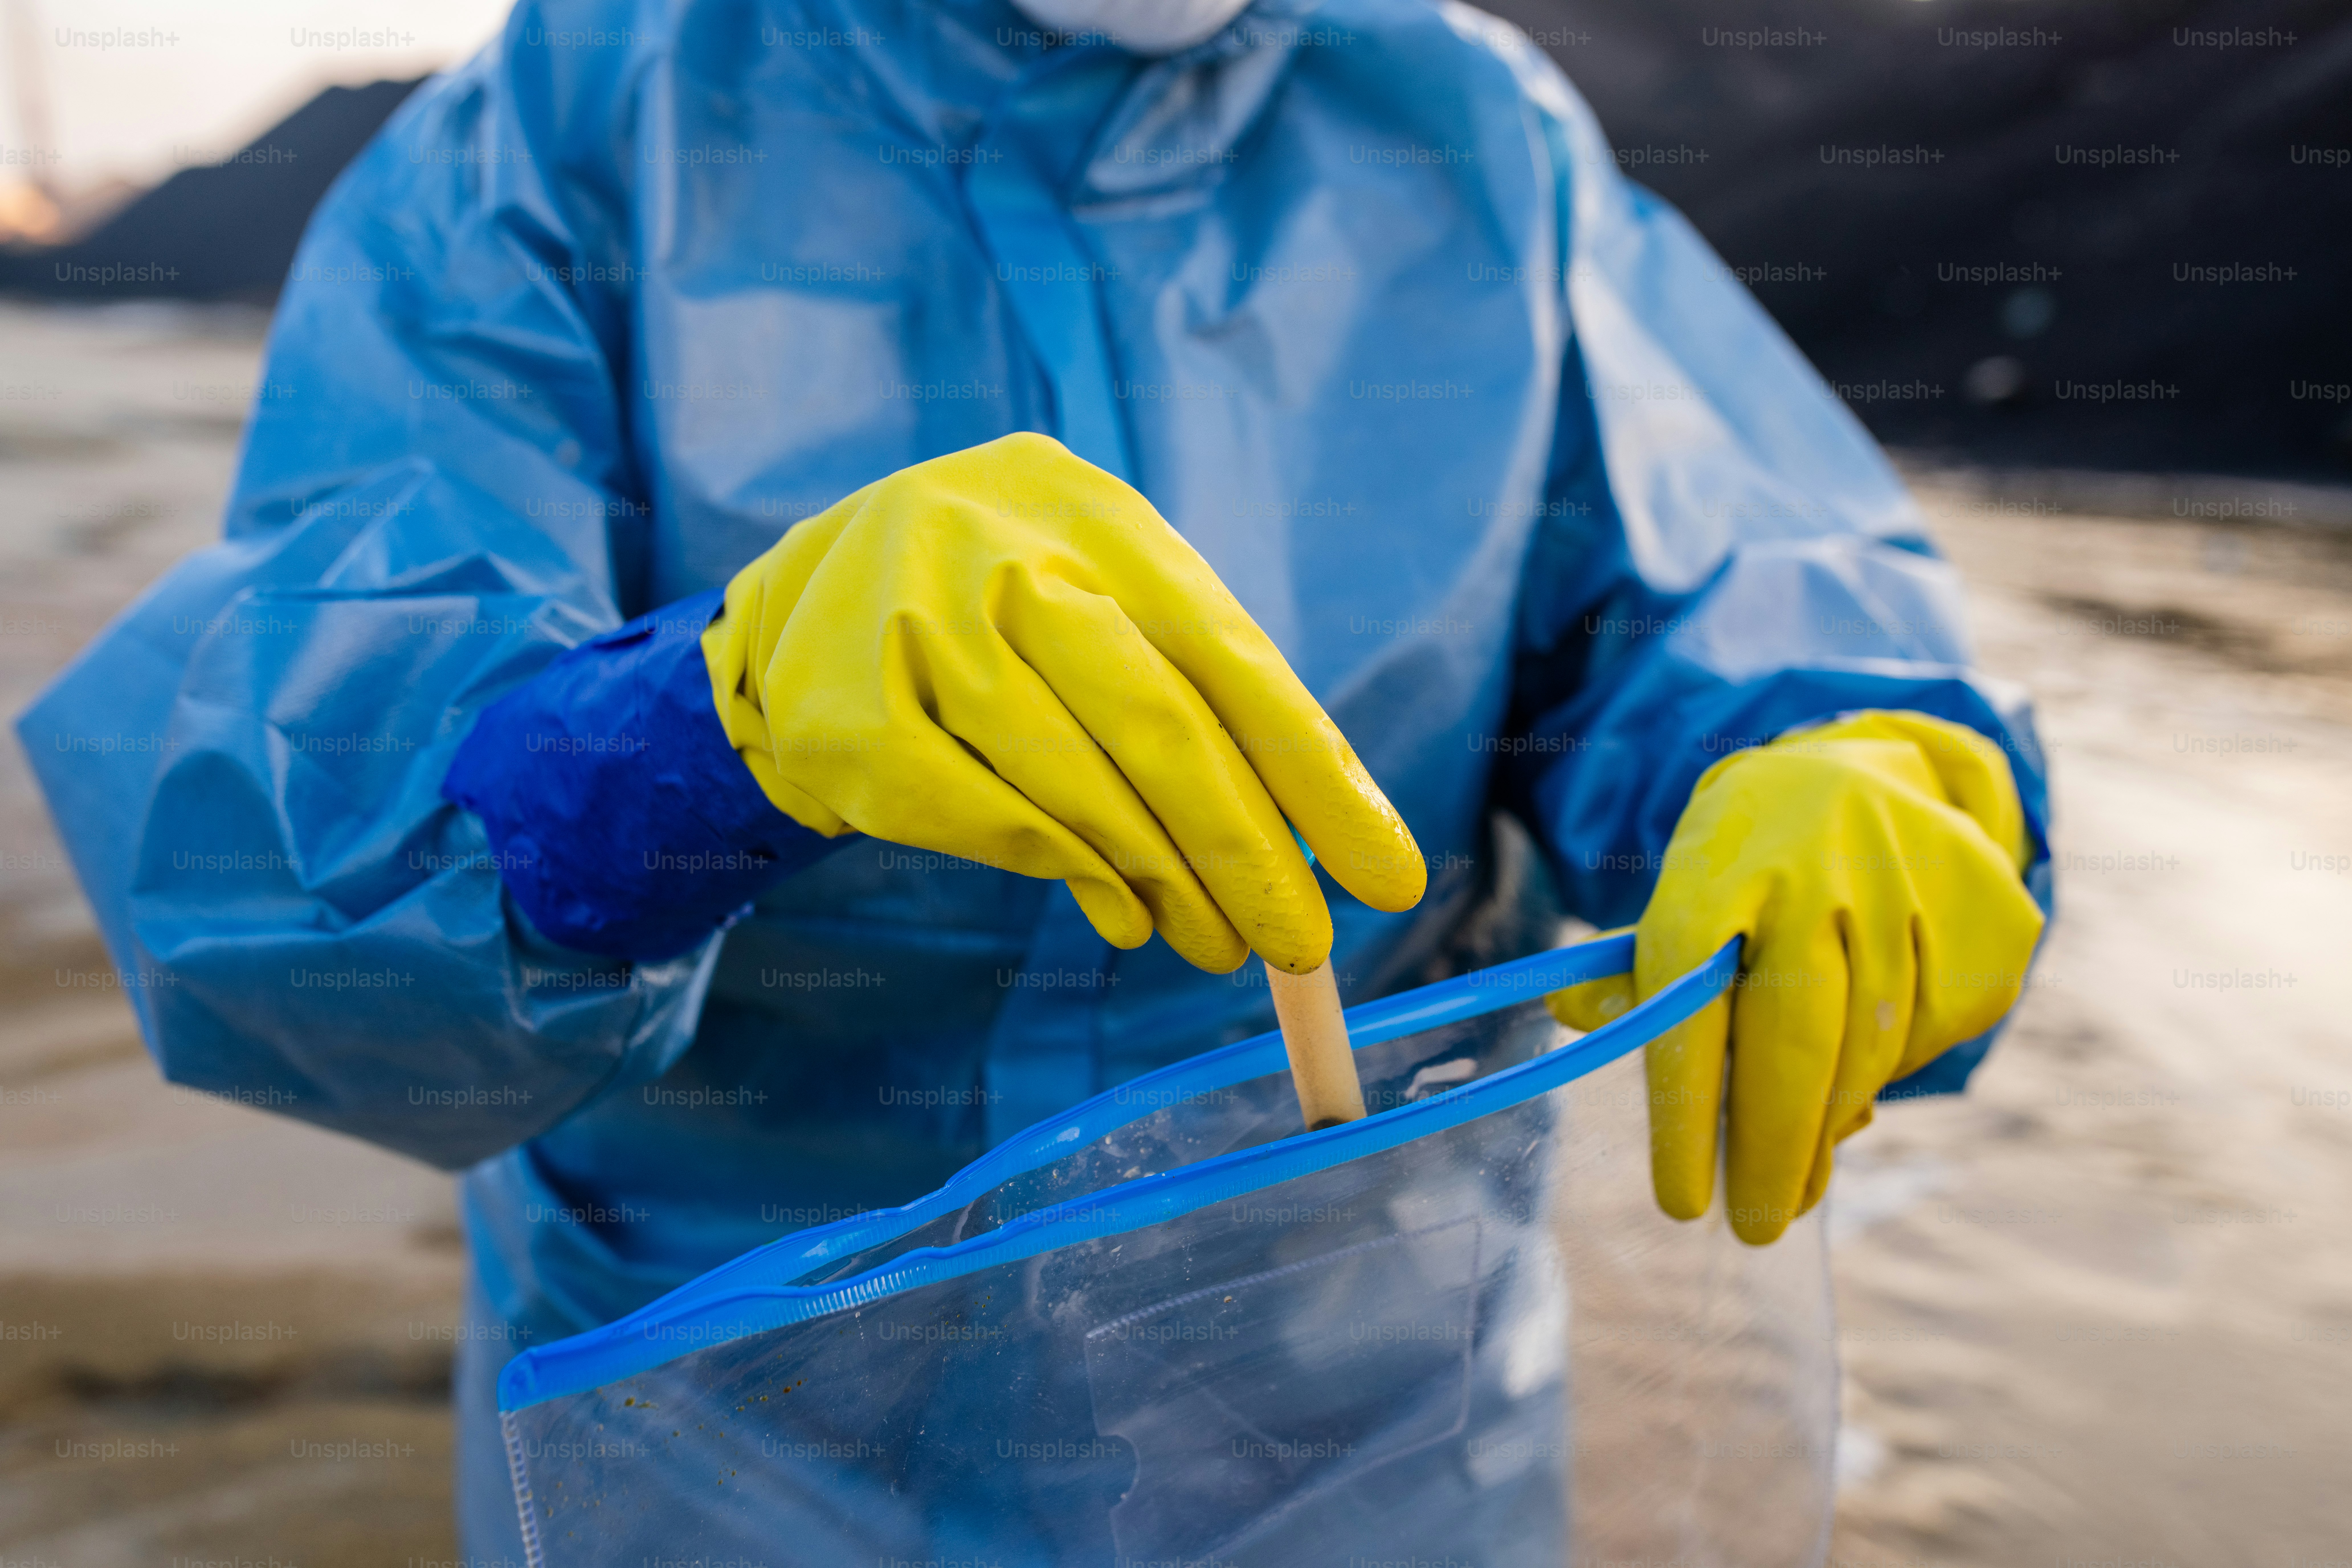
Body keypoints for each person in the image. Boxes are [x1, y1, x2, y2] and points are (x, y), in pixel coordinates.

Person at [18, 0, 2049, 1555]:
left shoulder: (1477, 144)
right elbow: (284, 872)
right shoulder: (578, 123)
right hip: (729, 1466)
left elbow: (1724, 593)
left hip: (1379, 1449)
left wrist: (1853, 758)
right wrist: (689, 734)